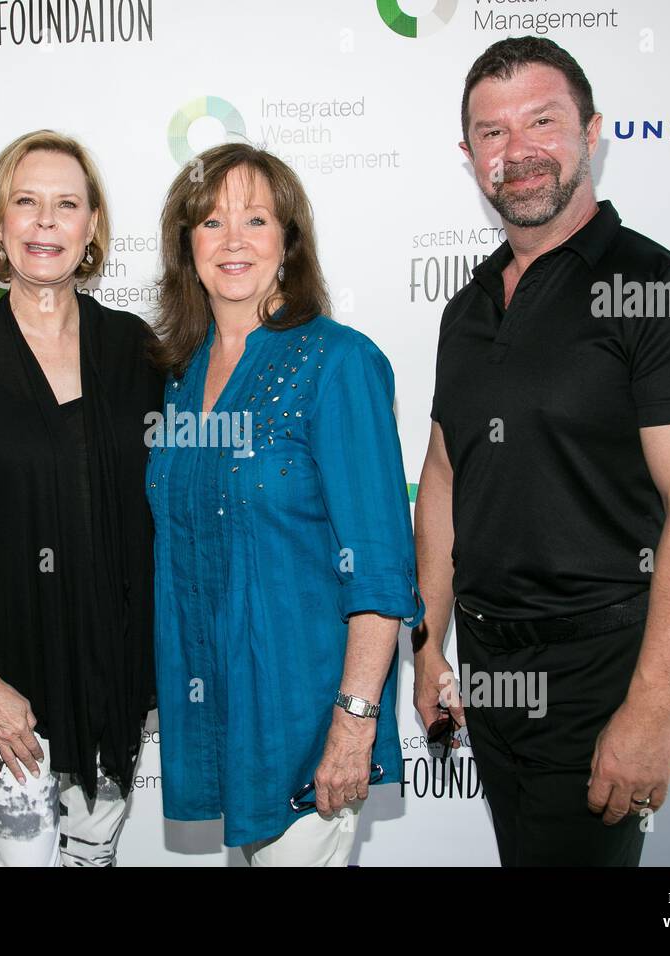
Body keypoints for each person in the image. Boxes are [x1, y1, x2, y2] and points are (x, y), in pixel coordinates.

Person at [412, 36, 670, 866]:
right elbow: (447, 479)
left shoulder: (663, 292)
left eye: (541, 121)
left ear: (591, 130)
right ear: (468, 156)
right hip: (488, 672)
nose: (516, 151)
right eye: (491, 133)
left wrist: (651, 711)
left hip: (602, 675)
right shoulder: (468, 307)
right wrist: (429, 650)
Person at [147, 143, 422, 866]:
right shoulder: (179, 378)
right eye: (210, 223)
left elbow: (383, 568)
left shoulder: (339, 363)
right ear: (186, 247)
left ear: (288, 241)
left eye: (256, 220)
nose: (233, 240)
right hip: (218, 701)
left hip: (306, 712)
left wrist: (354, 721)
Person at [0, 130, 161, 867]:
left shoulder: (136, 351)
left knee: (93, 860)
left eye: (66, 205)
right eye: (26, 203)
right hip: (6, 678)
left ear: (92, 228)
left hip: (116, 676)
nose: (46, 223)